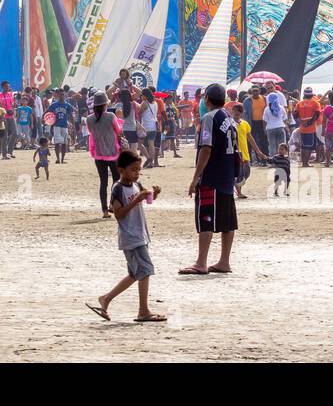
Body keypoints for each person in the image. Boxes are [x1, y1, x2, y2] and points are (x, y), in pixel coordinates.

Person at [87, 150, 165, 322]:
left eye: (138, 170)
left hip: (140, 234)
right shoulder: (118, 188)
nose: (137, 174)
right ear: (121, 170)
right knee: (145, 271)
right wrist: (136, 200)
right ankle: (143, 311)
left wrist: (155, 193)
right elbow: (119, 214)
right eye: (133, 170)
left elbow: (147, 197)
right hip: (131, 236)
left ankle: (106, 299)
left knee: (135, 273)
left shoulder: (136, 185)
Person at [180, 83, 239, 276]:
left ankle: (201, 262)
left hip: (212, 176)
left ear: (207, 99)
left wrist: (195, 177)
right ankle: (224, 261)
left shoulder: (209, 118)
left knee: (206, 217)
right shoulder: (230, 118)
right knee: (227, 221)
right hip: (227, 175)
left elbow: (206, 148)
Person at [86, 91, 122, 218]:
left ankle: (104, 211)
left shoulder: (89, 119)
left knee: (103, 182)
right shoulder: (111, 116)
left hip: (98, 153)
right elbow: (118, 131)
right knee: (117, 179)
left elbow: (91, 131)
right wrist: (119, 118)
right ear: (105, 104)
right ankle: (113, 203)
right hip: (112, 153)